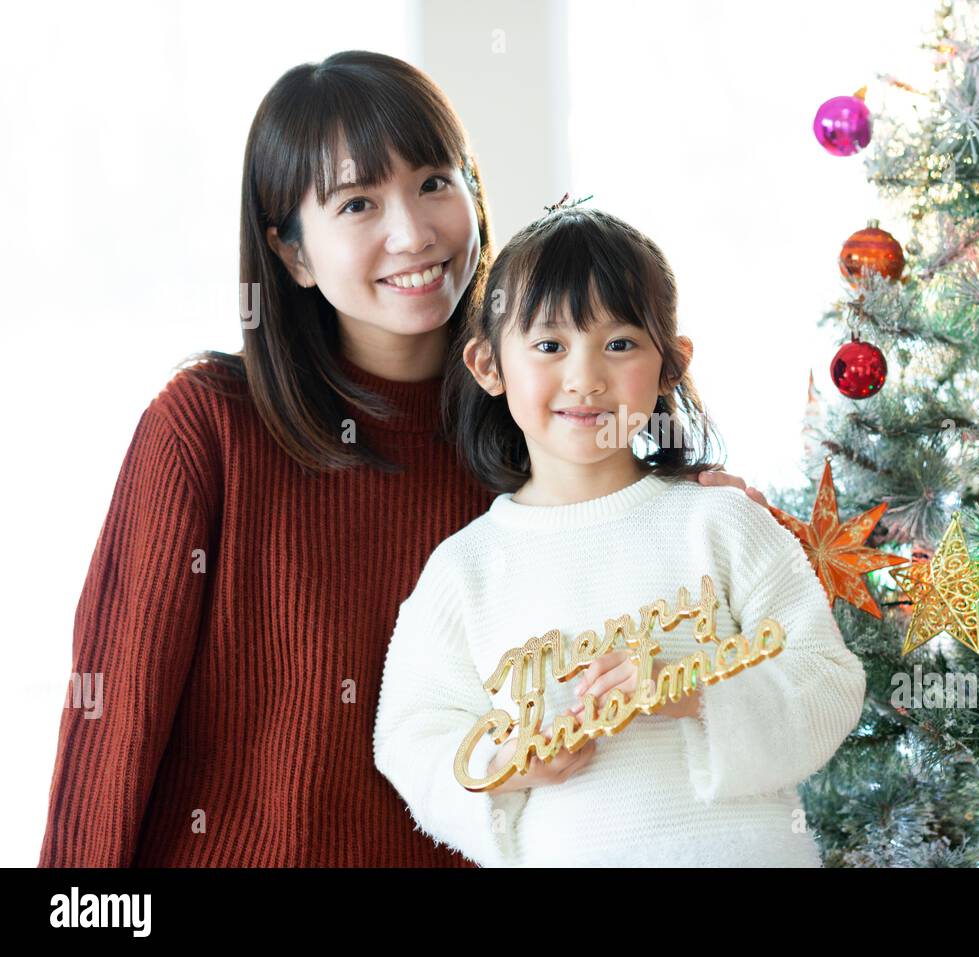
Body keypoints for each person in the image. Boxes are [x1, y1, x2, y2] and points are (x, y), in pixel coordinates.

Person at [38, 51, 761, 868]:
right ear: (293, 254)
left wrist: (710, 514)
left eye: (432, 182)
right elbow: (112, 725)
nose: (412, 232)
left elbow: (687, 637)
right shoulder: (207, 428)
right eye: (356, 202)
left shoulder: (544, 433)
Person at [372, 206, 867, 867]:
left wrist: (693, 692)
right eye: (550, 346)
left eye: (620, 343)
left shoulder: (719, 521)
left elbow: (826, 681)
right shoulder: (466, 569)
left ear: (671, 364)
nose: (585, 377)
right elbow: (409, 735)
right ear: (489, 364)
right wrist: (506, 762)